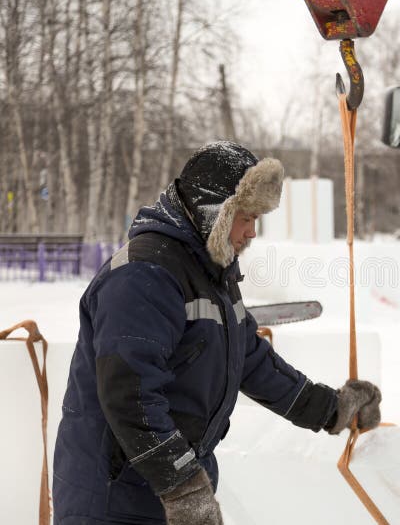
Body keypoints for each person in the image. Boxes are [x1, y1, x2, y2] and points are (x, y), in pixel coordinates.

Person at [53, 141, 381, 524]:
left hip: (165, 489)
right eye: (246, 217)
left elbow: (250, 360)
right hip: (115, 498)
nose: (252, 232)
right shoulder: (144, 275)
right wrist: (185, 490)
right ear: (215, 213)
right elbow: (131, 396)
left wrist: (330, 409)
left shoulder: (211, 269)